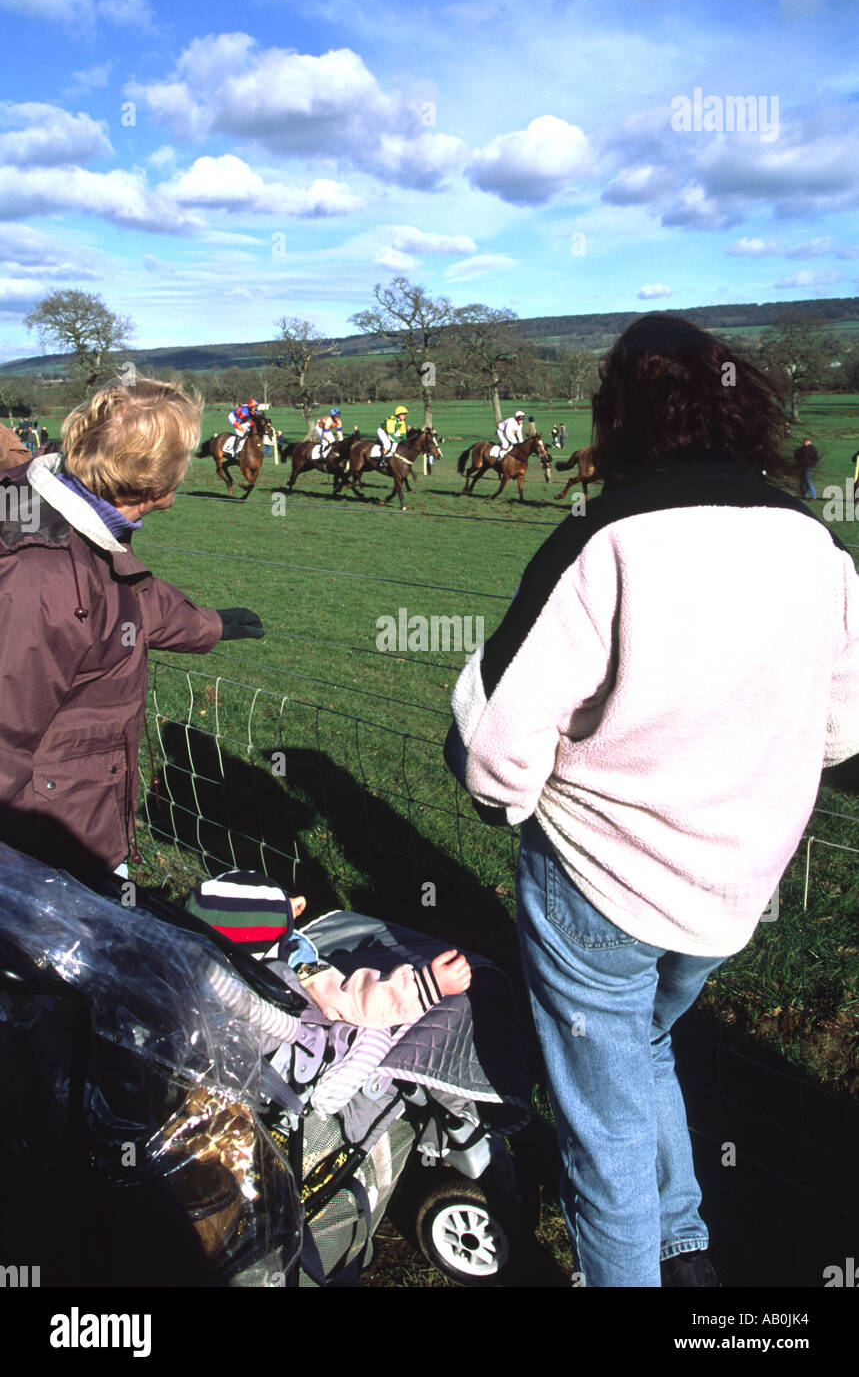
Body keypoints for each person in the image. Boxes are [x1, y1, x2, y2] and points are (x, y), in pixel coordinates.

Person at [445, 314, 859, 1288]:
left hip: (596, 889)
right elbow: (841, 733)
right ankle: (682, 1242)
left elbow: (496, 753)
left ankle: (637, 1259)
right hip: (728, 895)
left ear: (617, 416)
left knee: (604, 1136)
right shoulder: (817, 544)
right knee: (648, 1043)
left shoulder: (599, 538)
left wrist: (505, 795)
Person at [0, 378, 264, 887]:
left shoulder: (58, 514)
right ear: (155, 485)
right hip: (51, 849)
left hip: (71, 819)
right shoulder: (42, 574)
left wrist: (209, 624)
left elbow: (124, 599)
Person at [186, 871, 472, 1027]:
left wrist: (282, 911)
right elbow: (357, 1000)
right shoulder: (295, 969)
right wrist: (428, 985)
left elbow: (250, 920)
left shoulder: (189, 967)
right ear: (274, 944)